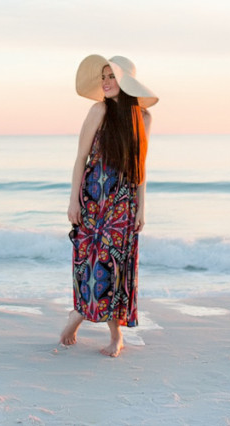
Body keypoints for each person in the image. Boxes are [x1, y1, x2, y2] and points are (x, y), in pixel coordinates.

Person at [59, 54, 156, 357]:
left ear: (126, 81)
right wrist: (73, 200)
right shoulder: (98, 110)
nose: (105, 82)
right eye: (103, 77)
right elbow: (80, 159)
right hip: (92, 202)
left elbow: (140, 168)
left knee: (115, 268)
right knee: (88, 264)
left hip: (122, 207)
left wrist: (141, 207)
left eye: (111, 76)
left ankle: (115, 336)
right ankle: (78, 315)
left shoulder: (144, 120)